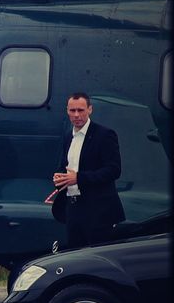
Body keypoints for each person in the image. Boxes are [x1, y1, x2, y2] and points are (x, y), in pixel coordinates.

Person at [51, 92, 124, 248]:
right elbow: (65, 166)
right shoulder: (68, 136)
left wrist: (79, 178)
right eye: (73, 111)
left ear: (90, 109)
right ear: (67, 111)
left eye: (81, 110)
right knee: (75, 255)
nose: (77, 115)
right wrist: (59, 178)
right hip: (73, 208)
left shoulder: (104, 135)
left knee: (98, 256)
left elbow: (114, 170)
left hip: (98, 210)